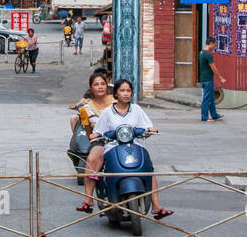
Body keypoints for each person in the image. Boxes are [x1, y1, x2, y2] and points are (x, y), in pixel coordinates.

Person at [77, 79, 173, 219]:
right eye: (122, 91)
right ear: (116, 93)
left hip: (135, 145)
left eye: (128, 91)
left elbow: (148, 126)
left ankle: (156, 206)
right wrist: (97, 134)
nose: (126, 94)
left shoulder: (137, 109)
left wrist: (150, 129)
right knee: (93, 162)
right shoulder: (108, 112)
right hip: (113, 146)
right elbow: (98, 130)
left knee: (149, 170)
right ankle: (88, 199)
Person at [69, 69, 115, 136]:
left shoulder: (116, 102)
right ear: (91, 88)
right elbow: (89, 135)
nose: (100, 87)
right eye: (96, 84)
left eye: (103, 84)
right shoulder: (86, 108)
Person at [198, 39, 225, 122]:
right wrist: (220, 77)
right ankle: (204, 117)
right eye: (214, 45)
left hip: (204, 78)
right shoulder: (208, 54)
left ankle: (214, 115)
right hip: (208, 79)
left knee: (211, 98)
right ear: (211, 44)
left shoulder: (201, 52)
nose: (214, 47)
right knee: (206, 98)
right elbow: (213, 67)